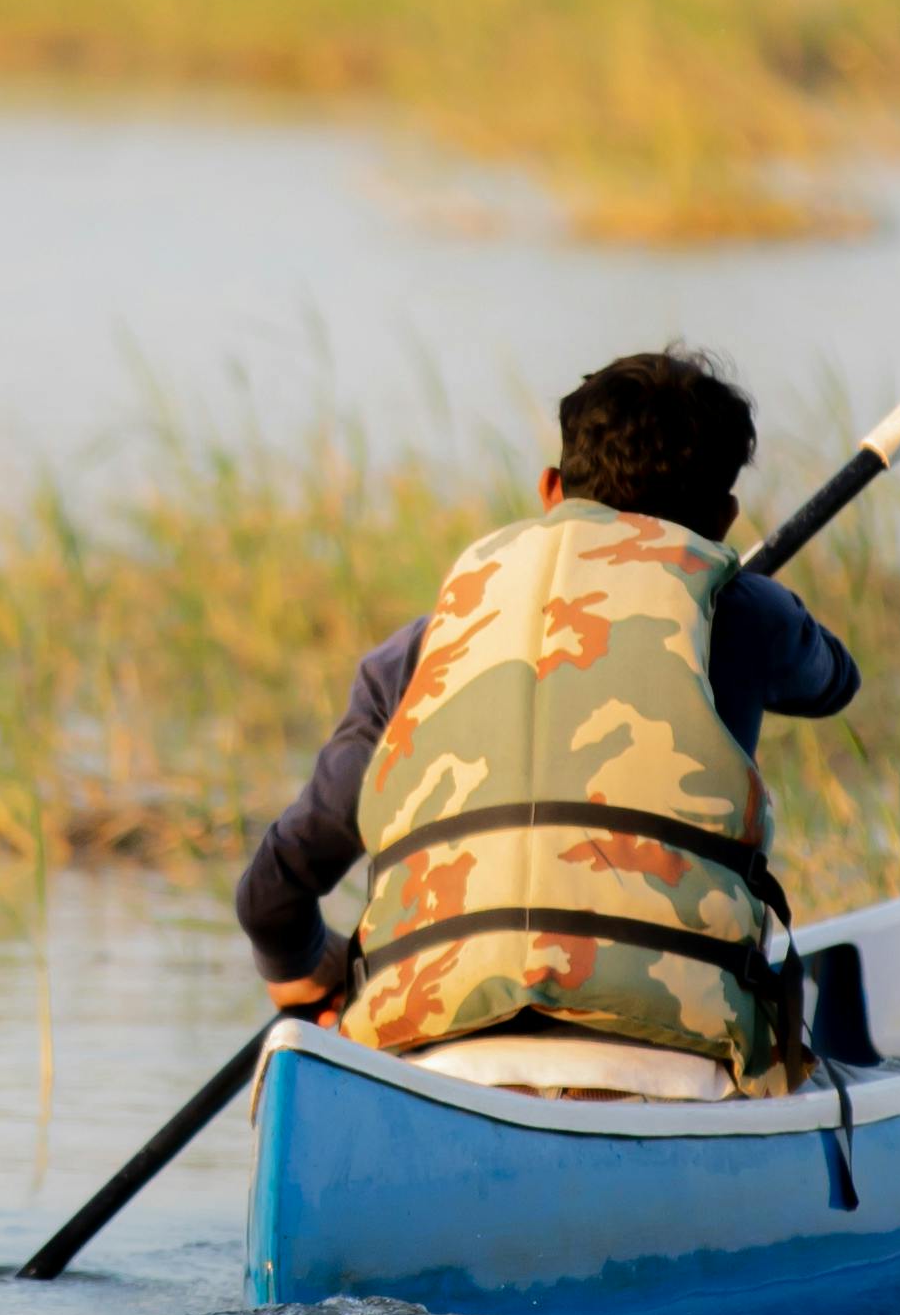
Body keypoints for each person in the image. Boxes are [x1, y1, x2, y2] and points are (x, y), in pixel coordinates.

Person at [230, 346, 860, 1097]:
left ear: (551, 490)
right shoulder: (748, 616)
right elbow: (834, 683)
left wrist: (309, 973)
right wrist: (741, 593)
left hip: (428, 1060)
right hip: (673, 1058)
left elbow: (270, 895)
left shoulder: (422, 648)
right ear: (724, 517)